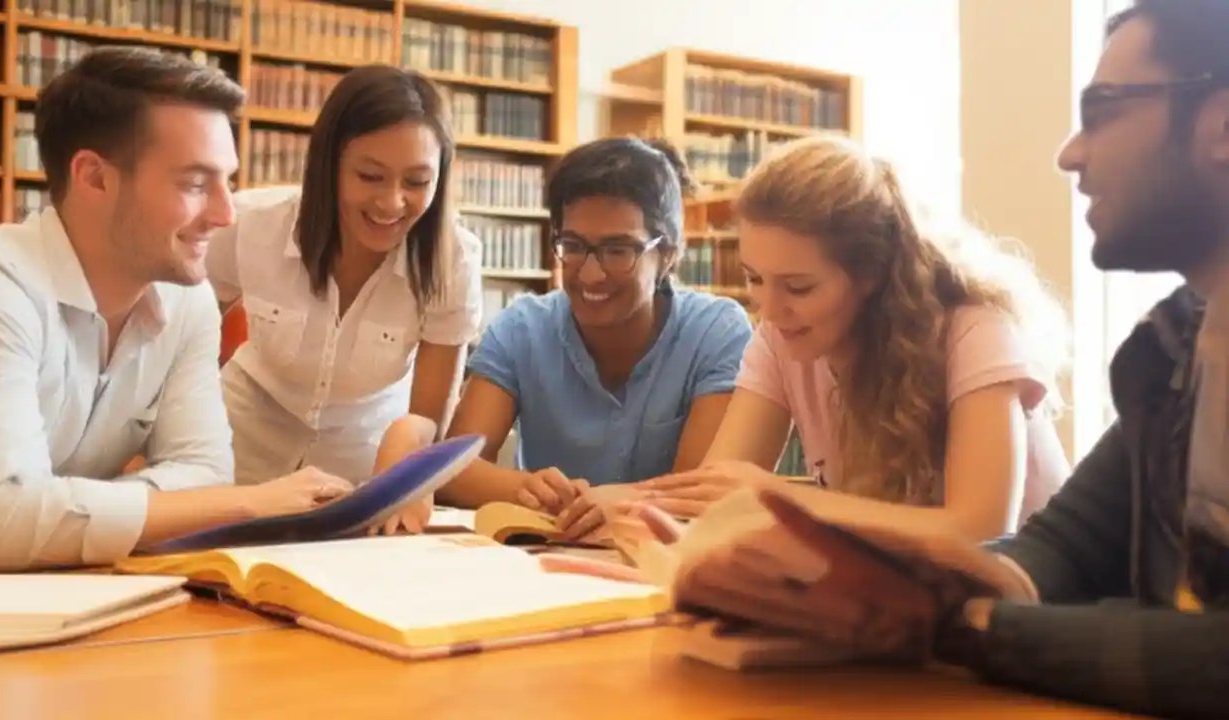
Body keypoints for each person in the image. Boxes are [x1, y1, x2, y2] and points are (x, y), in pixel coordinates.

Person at [652, 2, 1229, 717]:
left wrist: (952, 627)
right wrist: (893, 593)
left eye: (1103, 111)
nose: (1070, 153)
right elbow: (1061, 549)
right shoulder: (1168, 351)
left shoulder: (989, 332)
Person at [0, 47, 353, 571]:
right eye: (195, 184)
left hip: (62, 588)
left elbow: (206, 471)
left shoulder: (188, 303)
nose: (225, 214)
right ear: (94, 177)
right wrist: (249, 503)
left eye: (227, 182)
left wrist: (51, 511)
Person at [637, 135, 1072, 540]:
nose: (769, 310)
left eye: (798, 287)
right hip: (907, 585)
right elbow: (717, 496)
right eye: (754, 279)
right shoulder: (781, 338)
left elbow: (981, 530)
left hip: (1030, 589)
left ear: (871, 275)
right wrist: (625, 510)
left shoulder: (976, 333)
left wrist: (782, 500)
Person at [413, 137, 752, 538]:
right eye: (573, 246)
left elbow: (704, 492)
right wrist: (525, 488)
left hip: (669, 559)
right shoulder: (521, 330)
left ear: (669, 255)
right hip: (547, 556)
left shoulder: (716, 333)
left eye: (618, 251)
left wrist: (621, 501)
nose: (590, 274)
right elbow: (451, 471)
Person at [204, 64, 482, 535]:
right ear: (328, 164)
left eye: (417, 182)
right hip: (237, 456)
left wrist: (404, 462)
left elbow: (427, 418)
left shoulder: (452, 261)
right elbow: (175, 342)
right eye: (370, 176)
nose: (392, 202)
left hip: (362, 478)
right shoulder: (251, 225)